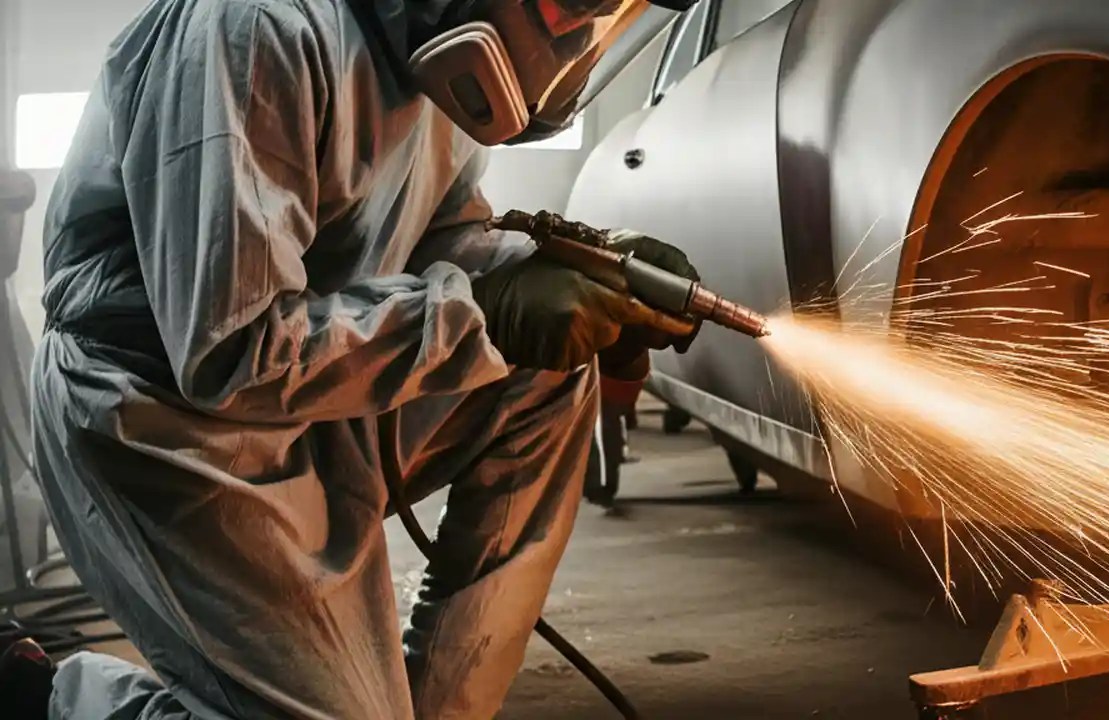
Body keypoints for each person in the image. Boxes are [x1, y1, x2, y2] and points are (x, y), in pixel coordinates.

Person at [12, 0, 701, 718]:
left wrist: (571, 270)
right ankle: (48, 701)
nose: (579, 31)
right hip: (165, 416)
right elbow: (232, 350)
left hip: (319, 382)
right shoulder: (257, 28)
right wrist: (487, 310)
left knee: (549, 369)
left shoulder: (439, 50)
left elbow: (440, 238)